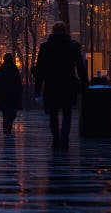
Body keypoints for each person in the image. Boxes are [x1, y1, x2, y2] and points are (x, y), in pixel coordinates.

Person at [34, 21, 88, 149]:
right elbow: (80, 66)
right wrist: (84, 82)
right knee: (67, 112)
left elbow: (40, 70)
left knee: (53, 113)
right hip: (67, 84)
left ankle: (56, 139)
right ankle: (64, 138)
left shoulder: (45, 47)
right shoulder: (73, 46)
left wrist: (37, 88)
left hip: (51, 85)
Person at [0, 53, 23, 134]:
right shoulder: (14, 69)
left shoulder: (1, 69)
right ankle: (8, 125)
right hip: (13, 94)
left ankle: (6, 126)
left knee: (5, 112)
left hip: (3, 94)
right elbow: (18, 82)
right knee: (12, 111)